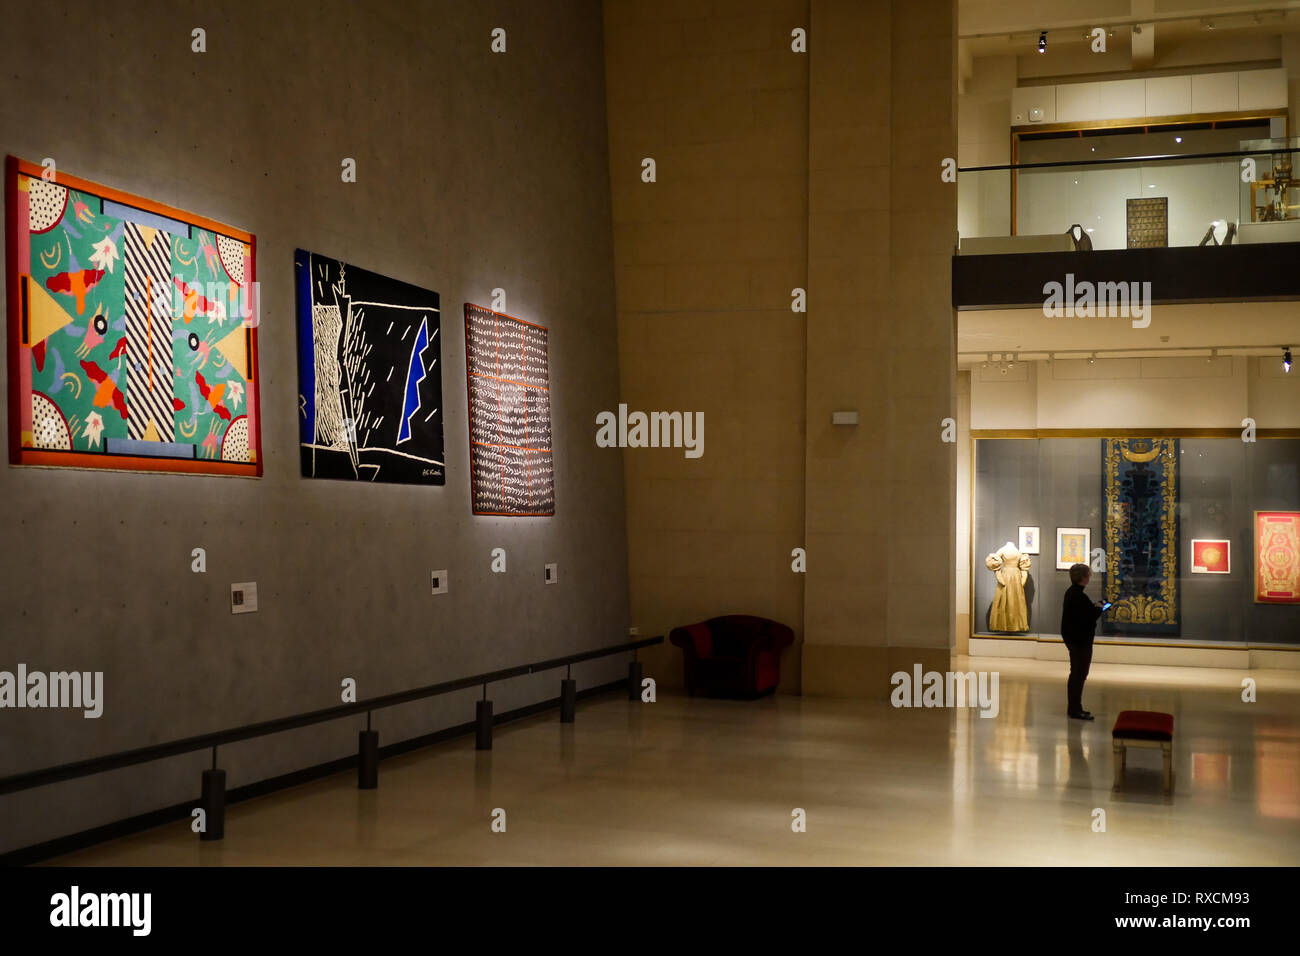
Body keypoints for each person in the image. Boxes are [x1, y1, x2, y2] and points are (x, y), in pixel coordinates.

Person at [1060, 563, 1103, 720]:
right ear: (1084, 577)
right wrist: (1098, 609)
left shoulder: (1072, 593)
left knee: (1077, 674)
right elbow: (1088, 617)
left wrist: (1094, 608)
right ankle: (1074, 709)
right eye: (1088, 575)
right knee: (1079, 674)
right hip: (1080, 640)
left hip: (1074, 639)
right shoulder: (1078, 595)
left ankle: (1075, 707)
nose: (1089, 577)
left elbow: (1081, 614)